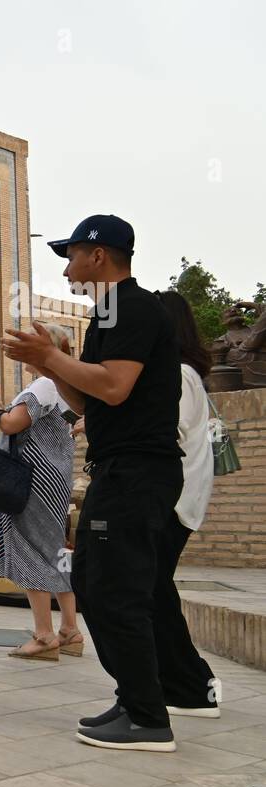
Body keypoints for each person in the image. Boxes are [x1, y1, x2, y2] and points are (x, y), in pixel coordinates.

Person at [4, 213, 182, 751]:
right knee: (105, 583)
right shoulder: (108, 316)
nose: (65, 269)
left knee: (113, 590)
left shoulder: (131, 306)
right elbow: (87, 398)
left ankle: (149, 718)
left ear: (98, 255)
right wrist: (53, 368)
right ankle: (135, 702)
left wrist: (50, 356)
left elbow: (116, 387)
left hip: (137, 470)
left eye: (71, 256)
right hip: (119, 468)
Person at [0, 324, 81, 662]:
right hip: (52, 481)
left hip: (29, 482)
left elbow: (10, 425)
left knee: (32, 550)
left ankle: (44, 635)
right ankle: (70, 631)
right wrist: (0, 399)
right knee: (53, 550)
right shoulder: (66, 387)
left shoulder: (45, 384)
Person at [151, 291, 220, 716]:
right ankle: (182, 683)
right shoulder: (184, 374)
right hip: (175, 499)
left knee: (152, 591)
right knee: (153, 590)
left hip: (170, 501)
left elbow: (167, 432)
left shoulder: (176, 374)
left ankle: (192, 686)